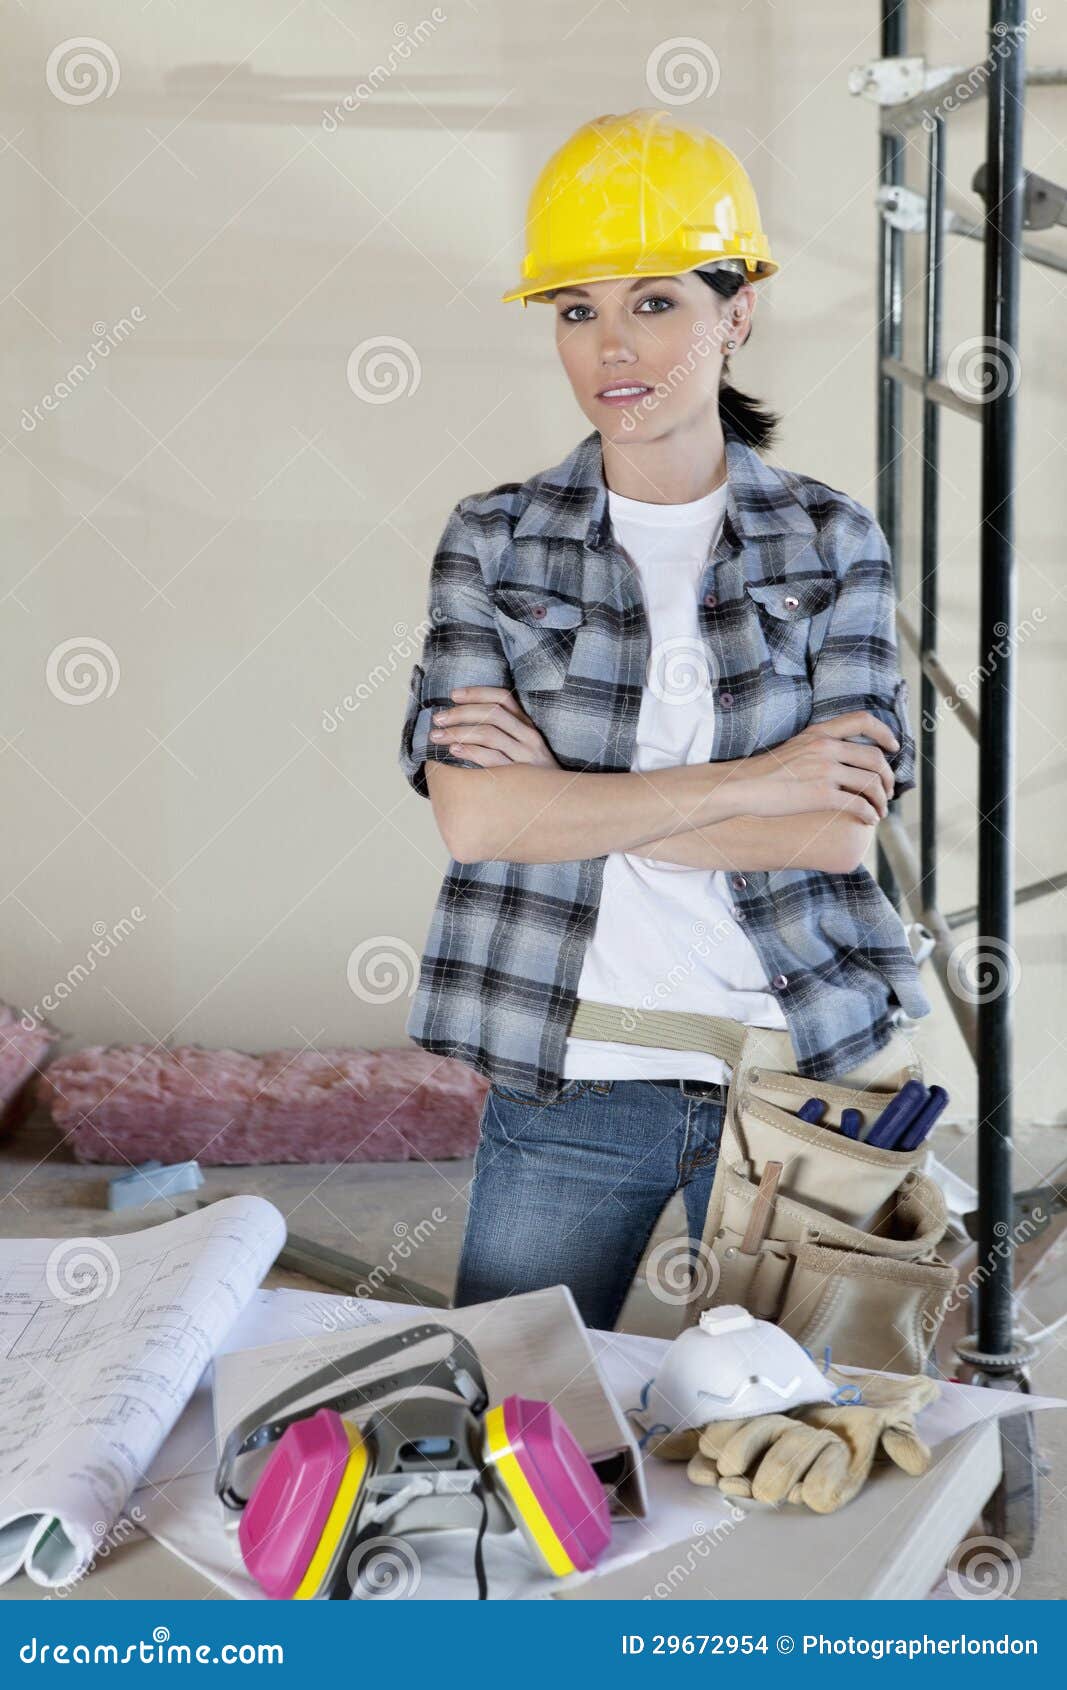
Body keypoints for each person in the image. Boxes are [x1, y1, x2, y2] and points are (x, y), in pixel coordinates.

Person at [397, 109, 931, 1331]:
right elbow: (477, 820)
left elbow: (832, 837)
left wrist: (570, 801)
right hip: (572, 1079)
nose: (608, 346)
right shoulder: (495, 537)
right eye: (575, 308)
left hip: (797, 1076)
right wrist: (753, 781)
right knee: (516, 1416)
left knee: (790, 1441)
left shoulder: (828, 537)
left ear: (734, 312)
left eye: (654, 302)